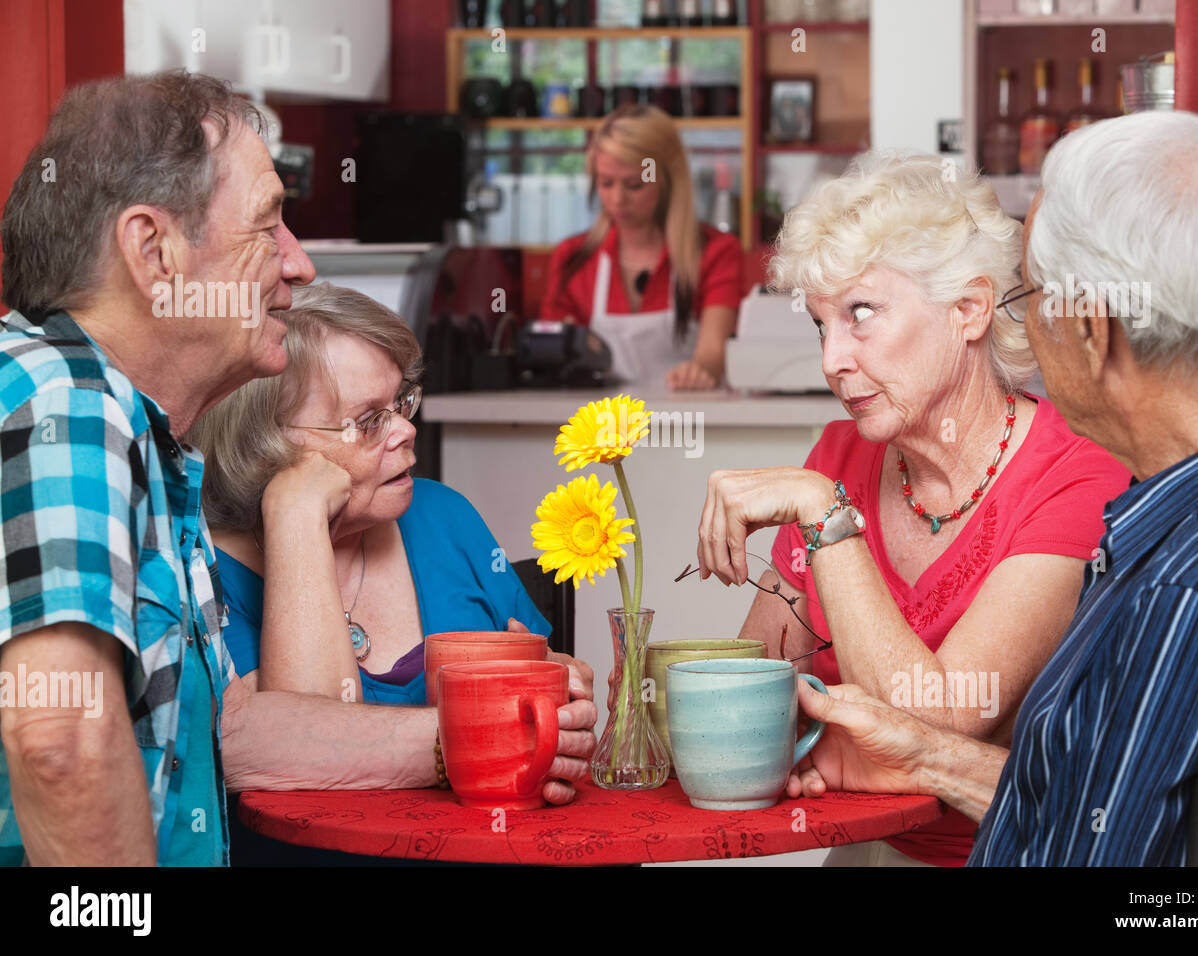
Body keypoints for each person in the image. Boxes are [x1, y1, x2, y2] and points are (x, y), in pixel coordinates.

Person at [0, 72, 594, 867]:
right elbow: (59, 740)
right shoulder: (65, 403)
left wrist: (490, 736)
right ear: (154, 252)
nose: (302, 262)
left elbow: (236, 732)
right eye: (269, 223)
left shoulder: (146, 443)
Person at [781, 110, 1198, 865]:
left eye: (1031, 303)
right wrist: (927, 755)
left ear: (1092, 329)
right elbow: (1117, 810)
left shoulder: (1181, 596)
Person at [692, 152, 1132, 866]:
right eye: (820, 324)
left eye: (861, 313)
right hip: (868, 842)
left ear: (969, 309)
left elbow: (940, 718)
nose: (832, 358)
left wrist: (823, 513)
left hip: (1011, 852)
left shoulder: (1076, 475)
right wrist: (657, 692)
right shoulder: (839, 458)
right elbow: (758, 693)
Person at [188, 282, 575, 707]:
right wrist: (295, 514)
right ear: (265, 444)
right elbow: (307, 752)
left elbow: (541, 669)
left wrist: (564, 684)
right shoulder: (206, 578)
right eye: (369, 420)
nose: (408, 430)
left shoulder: (443, 515)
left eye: (402, 401)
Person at [539, 103, 743, 391]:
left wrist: (699, 371)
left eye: (634, 185)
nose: (617, 199)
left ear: (668, 180)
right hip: (599, 426)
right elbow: (552, 355)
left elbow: (713, 354)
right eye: (606, 183)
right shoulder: (573, 258)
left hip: (687, 424)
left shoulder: (716, 253)